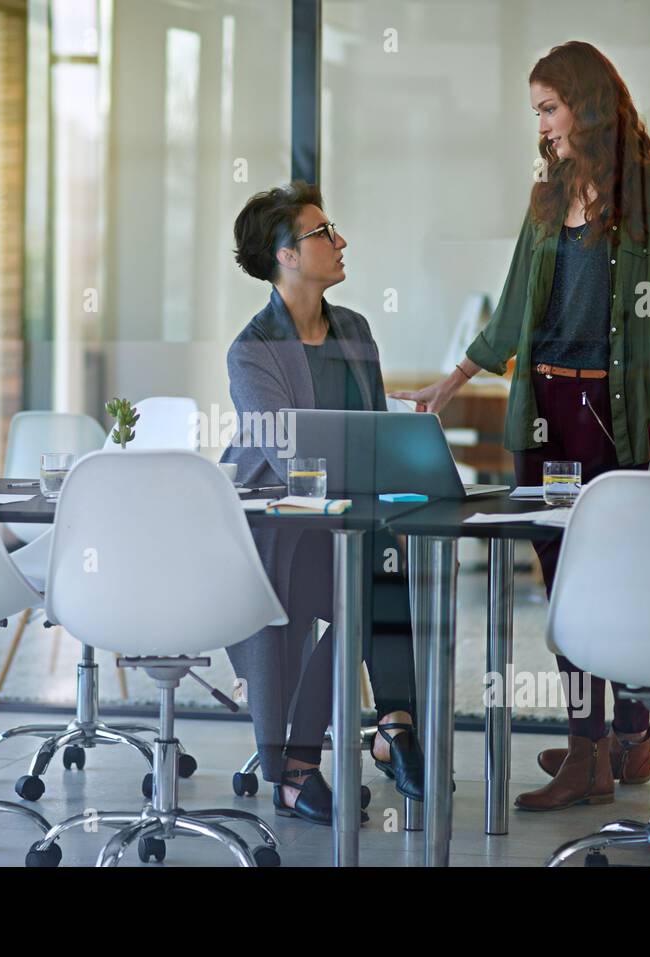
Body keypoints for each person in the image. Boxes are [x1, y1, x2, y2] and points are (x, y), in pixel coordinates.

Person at [393, 41, 650, 812]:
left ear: (584, 105)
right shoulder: (548, 195)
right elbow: (515, 306)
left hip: (607, 418)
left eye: (548, 108)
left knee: (615, 576)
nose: (542, 126)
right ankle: (600, 743)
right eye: (536, 113)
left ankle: (622, 738)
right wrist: (451, 383)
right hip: (543, 411)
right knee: (562, 581)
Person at [221, 181, 424, 825]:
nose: (340, 242)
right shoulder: (253, 350)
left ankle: (326, 756)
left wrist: (403, 459)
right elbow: (289, 462)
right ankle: (390, 730)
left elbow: (372, 432)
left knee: (379, 565)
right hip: (275, 531)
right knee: (370, 580)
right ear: (285, 256)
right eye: (322, 233)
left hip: (348, 521)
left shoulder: (355, 329)